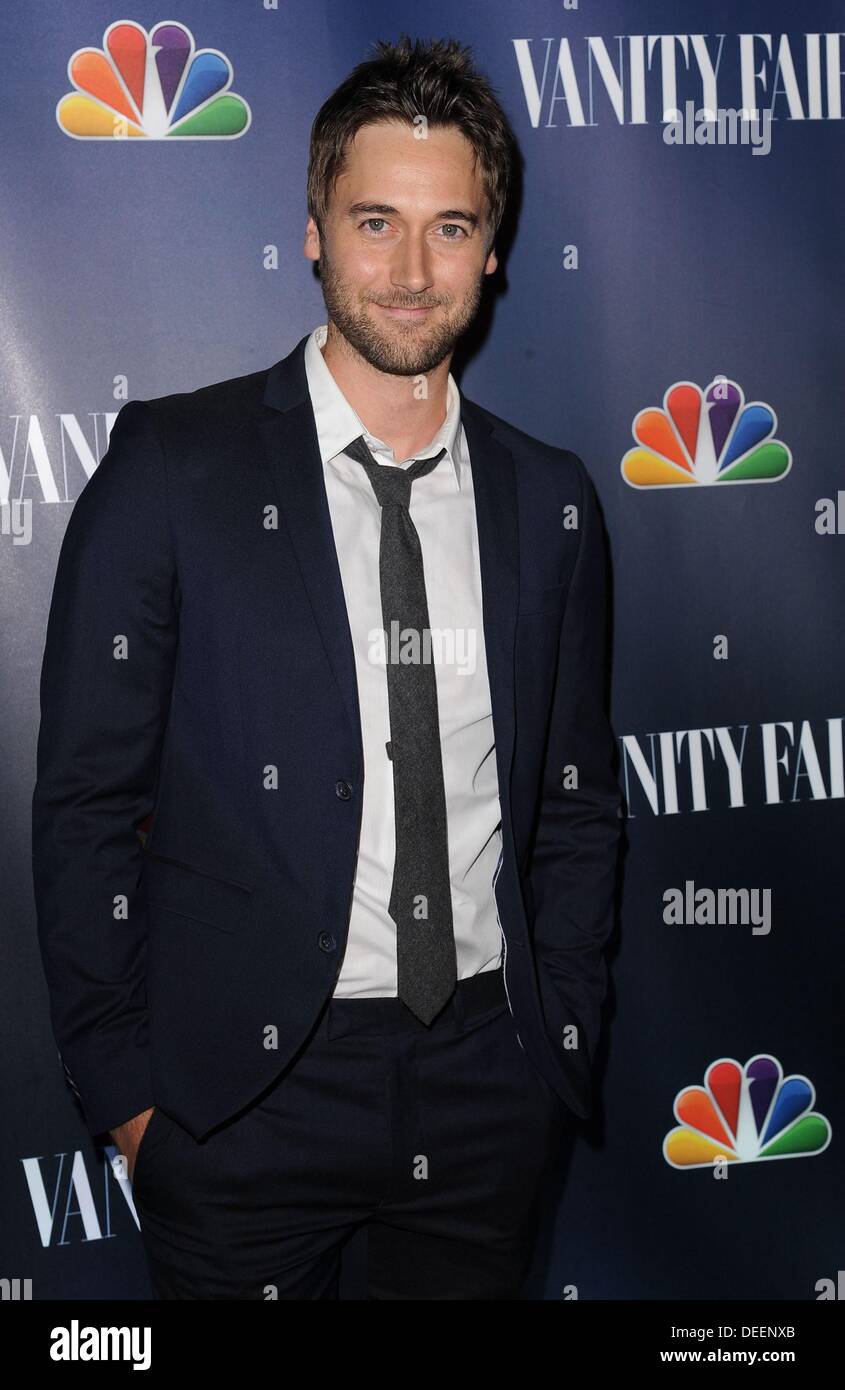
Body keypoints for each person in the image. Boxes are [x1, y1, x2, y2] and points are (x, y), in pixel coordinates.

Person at [32, 34, 621, 1300]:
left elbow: (574, 805)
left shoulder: (551, 501)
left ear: (492, 248)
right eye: (373, 221)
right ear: (311, 231)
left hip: (484, 1085)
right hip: (240, 1098)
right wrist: (134, 1100)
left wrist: (550, 1040)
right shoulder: (174, 471)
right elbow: (83, 807)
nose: (410, 272)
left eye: (449, 227)